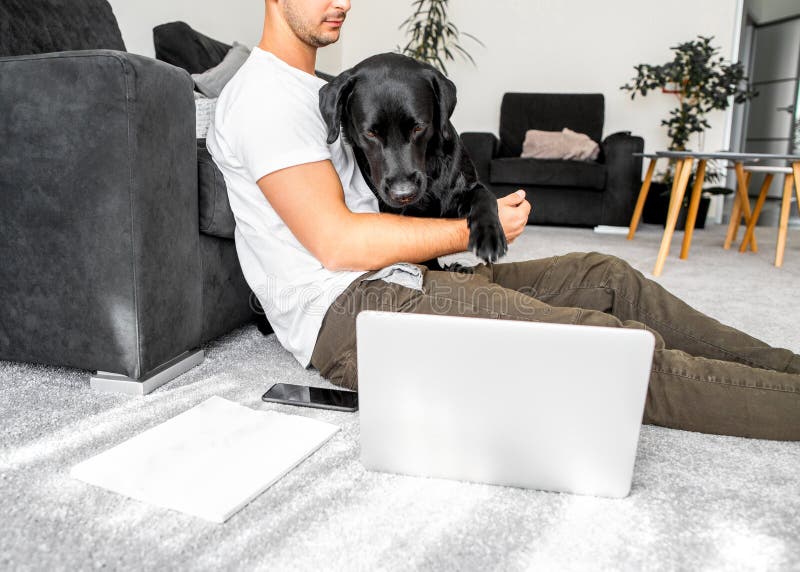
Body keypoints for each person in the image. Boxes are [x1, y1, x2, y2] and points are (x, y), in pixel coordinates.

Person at [207, 0, 800, 440]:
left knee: (608, 275)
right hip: (351, 314)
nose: (343, 1)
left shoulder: (333, 90)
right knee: (606, 350)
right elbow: (336, 243)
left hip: (406, 275)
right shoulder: (264, 97)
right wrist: (470, 231)